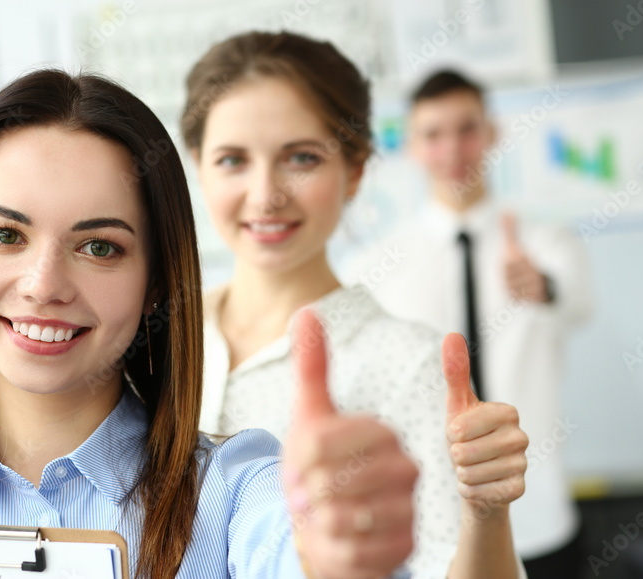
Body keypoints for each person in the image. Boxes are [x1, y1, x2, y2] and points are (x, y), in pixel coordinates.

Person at [0, 69, 424, 579]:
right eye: (5, 235)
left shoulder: (237, 492)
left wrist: (338, 553)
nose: (43, 285)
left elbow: (296, 552)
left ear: (158, 282)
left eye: (99, 247)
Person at [182, 31, 529, 578]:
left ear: (357, 170)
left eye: (301, 157)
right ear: (198, 166)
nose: (266, 193)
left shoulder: (410, 366)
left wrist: (485, 513)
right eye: (232, 160)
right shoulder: (154, 341)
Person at [348, 69, 594, 578]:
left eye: (467, 129)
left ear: (492, 134)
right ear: (412, 146)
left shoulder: (546, 245)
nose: (453, 149)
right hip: (433, 534)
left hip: (541, 517)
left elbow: (579, 304)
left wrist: (542, 287)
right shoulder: (376, 268)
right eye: (434, 134)